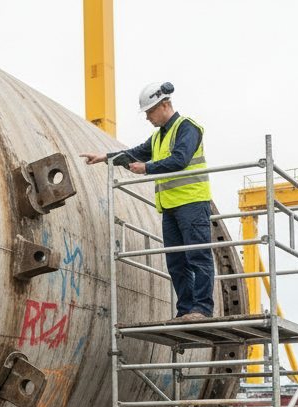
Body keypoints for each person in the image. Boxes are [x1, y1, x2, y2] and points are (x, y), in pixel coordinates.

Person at [82, 81, 214, 322]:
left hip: (193, 204)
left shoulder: (187, 128)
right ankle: (185, 309)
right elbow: (135, 153)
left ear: (165, 105)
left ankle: (202, 309)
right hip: (170, 207)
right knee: (176, 262)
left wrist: (147, 168)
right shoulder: (158, 137)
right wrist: (104, 158)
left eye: (150, 111)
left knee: (197, 256)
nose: (147, 118)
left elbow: (180, 159)